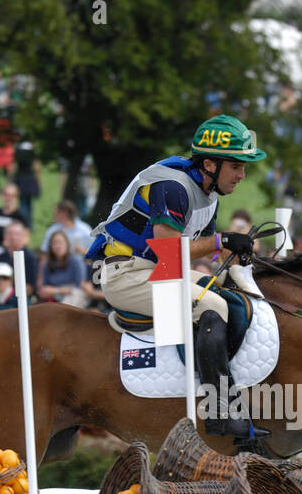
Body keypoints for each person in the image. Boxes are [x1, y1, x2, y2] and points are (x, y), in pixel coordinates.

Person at [84, 114, 270, 442]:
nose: (242, 175)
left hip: (157, 271)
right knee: (213, 305)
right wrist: (222, 240)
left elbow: (207, 251)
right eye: (236, 166)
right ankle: (221, 413)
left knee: (229, 294)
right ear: (210, 164)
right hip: (125, 275)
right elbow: (170, 251)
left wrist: (240, 258)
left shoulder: (208, 194)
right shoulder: (173, 187)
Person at [40, 230, 95, 308]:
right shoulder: (47, 264)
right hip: (55, 297)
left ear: (67, 244)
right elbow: (45, 287)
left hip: (74, 296)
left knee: (75, 295)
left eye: (61, 242)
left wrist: (56, 290)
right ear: (51, 246)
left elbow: (80, 286)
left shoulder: (76, 261)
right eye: (55, 243)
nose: (58, 246)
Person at [0, 184, 30, 268]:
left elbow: (26, 240)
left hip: (8, 253)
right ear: (2, 195)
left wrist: (10, 243)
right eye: (6, 194)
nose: (8, 198)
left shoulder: (20, 216)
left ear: (16, 197)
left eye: (12, 195)